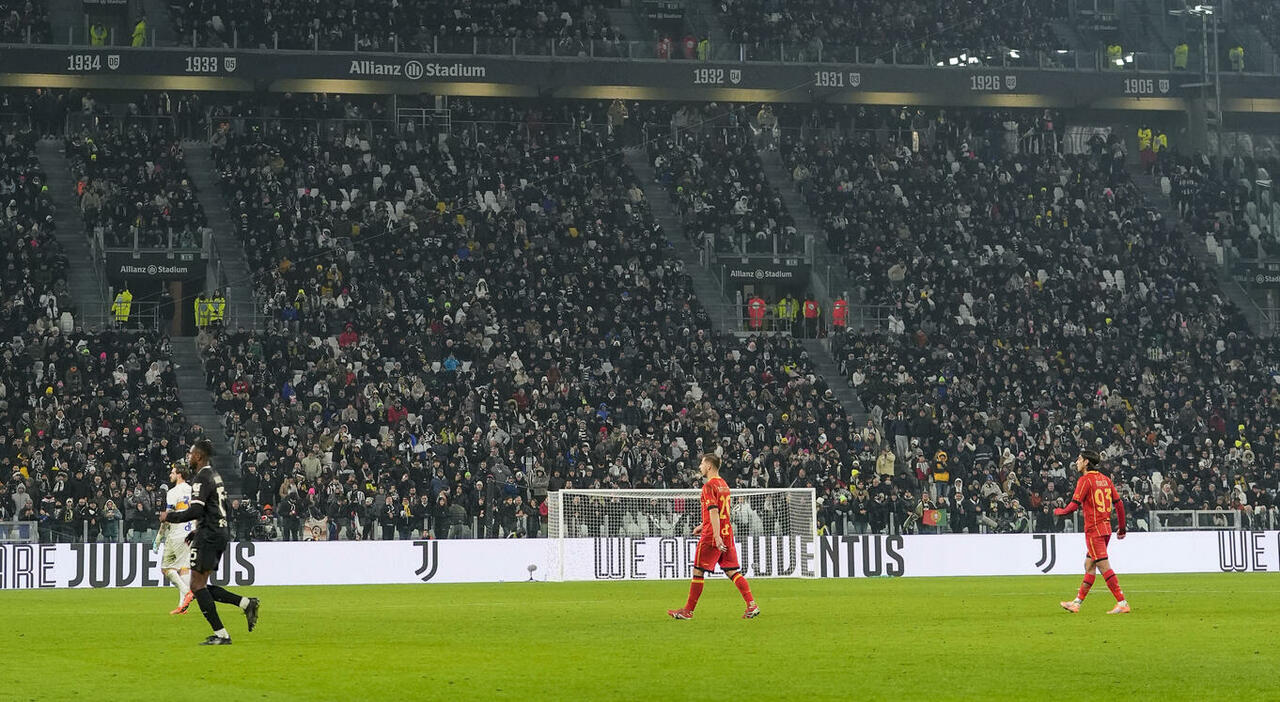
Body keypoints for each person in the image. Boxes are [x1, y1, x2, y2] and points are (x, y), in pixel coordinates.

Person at [160, 439, 260, 644]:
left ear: (198, 456)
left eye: (190, 454)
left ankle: (222, 635)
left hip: (210, 535)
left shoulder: (201, 478)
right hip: (218, 532)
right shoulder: (215, 475)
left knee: (197, 586)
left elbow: (196, 510)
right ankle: (246, 603)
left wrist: (169, 517)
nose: (189, 457)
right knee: (201, 585)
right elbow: (220, 507)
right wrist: (198, 529)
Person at [667, 453, 759, 620]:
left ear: (709, 466)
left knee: (698, 570)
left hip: (712, 535)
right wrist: (702, 525)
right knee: (731, 570)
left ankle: (688, 611)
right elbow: (723, 512)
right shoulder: (724, 484)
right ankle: (751, 604)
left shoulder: (708, 486)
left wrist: (715, 536)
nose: (700, 467)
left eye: (702, 464)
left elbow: (714, 511)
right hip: (727, 532)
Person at [1055, 449, 1129, 615]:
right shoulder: (1105, 480)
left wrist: (1060, 511)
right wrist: (1122, 527)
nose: (1077, 462)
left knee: (1103, 566)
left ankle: (1122, 602)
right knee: (1089, 565)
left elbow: (1074, 505)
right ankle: (1076, 603)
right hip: (1106, 529)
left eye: (1079, 459)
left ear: (1086, 462)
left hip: (1094, 530)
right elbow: (1119, 504)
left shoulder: (1085, 480)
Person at [155, 463, 194, 615]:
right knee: (184, 568)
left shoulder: (172, 492)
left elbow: (168, 517)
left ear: (179, 475)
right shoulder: (192, 490)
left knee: (166, 568)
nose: (170, 475)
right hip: (190, 533)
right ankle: (182, 606)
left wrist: (159, 537)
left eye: (172, 472)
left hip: (176, 534)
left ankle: (187, 592)